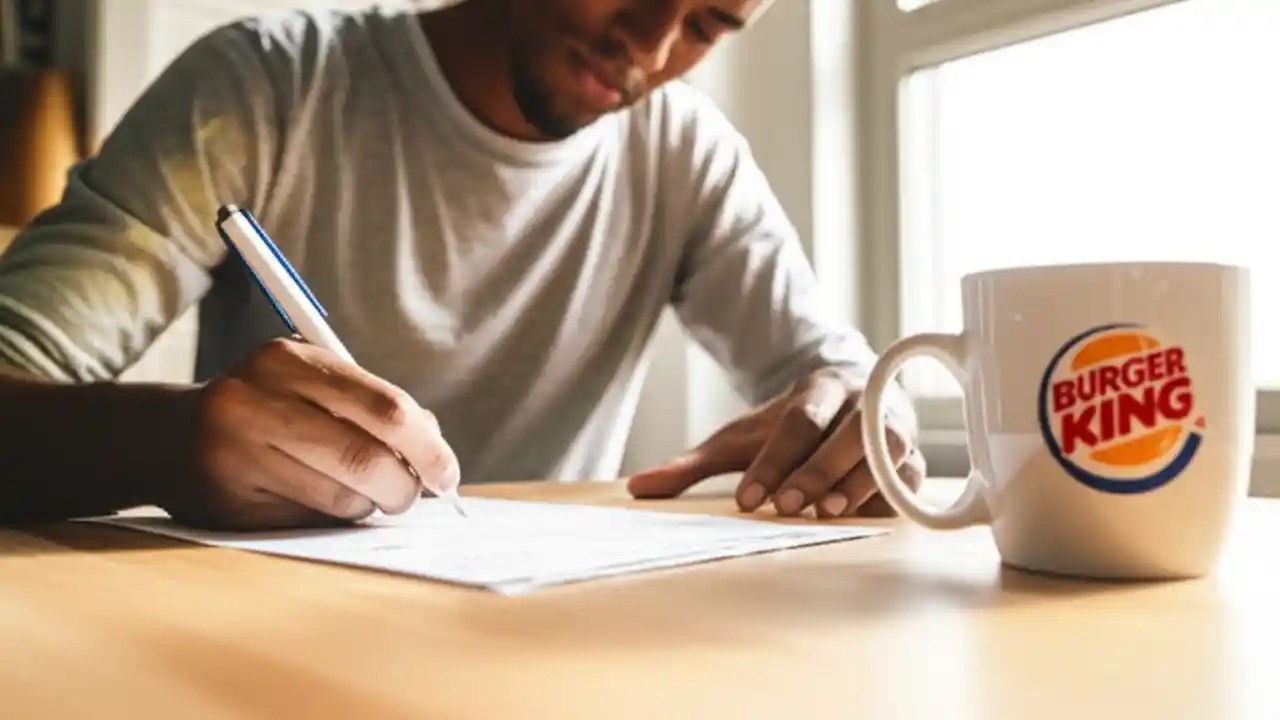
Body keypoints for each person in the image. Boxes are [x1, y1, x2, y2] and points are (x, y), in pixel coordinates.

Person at [0, 0, 924, 530]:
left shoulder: (688, 155)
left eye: (709, 24)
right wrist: (165, 443)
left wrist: (858, 411)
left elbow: (832, 371)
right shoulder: (264, 86)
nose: (649, 47)